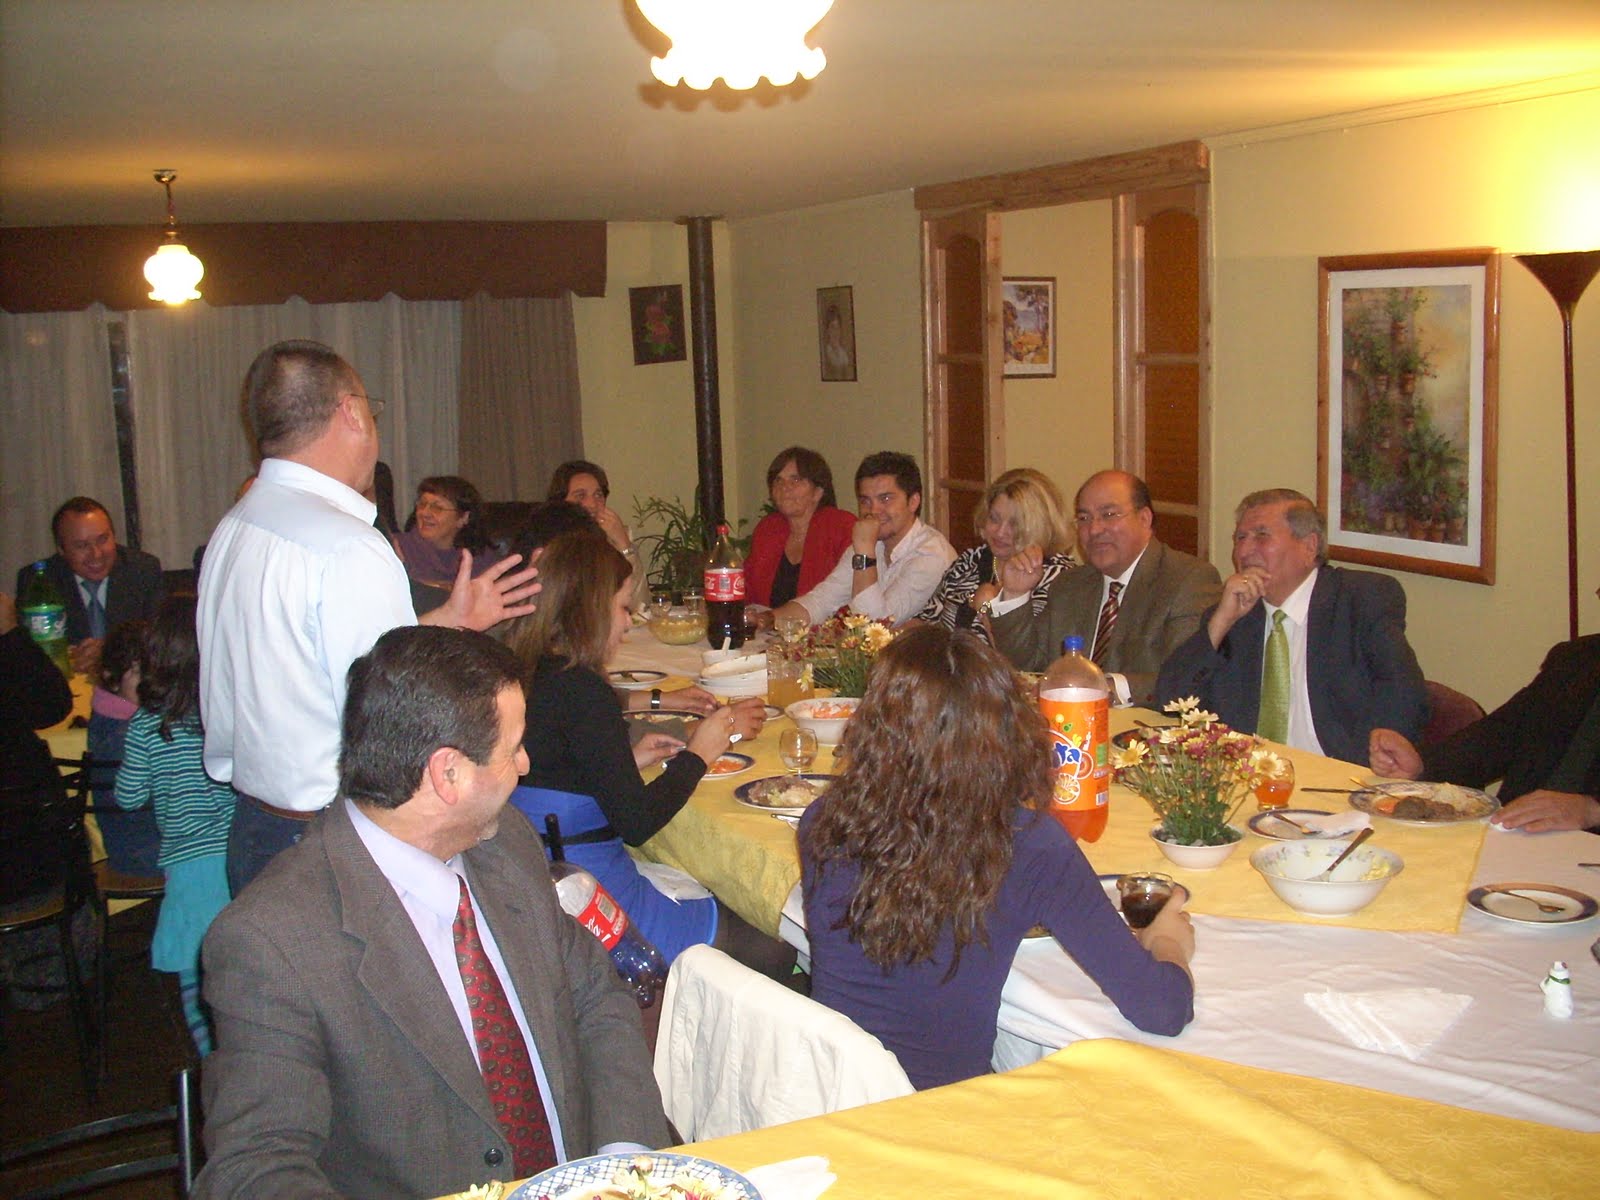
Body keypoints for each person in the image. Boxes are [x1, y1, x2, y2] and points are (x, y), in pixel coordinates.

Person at [193, 626, 669, 1199]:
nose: (525, 763)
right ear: (448, 775)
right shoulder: (273, 940)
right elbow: (255, 1169)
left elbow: (597, 995)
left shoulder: (504, 843)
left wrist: (624, 1161)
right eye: (511, 748)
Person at [198, 340, 539, 897]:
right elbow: (394, 716)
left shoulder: (238, 524)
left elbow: (325, 669)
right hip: (327, 837)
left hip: (255, 825)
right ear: (352, 411)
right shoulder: (347, 544)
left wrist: (447, 620)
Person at [800, 624, 1194, 1090]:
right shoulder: (1027, 844)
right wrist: (1168, 940)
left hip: (827, 1095)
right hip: (936, 1116)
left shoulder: (825, 819)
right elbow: (1162, 1011)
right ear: (1009, 729)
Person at [499, 530, 790, 975]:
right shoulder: (582, 691)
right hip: (599, 907)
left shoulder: (526, 672)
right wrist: (700, 752)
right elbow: (637, 824)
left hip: (547, 882)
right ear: (588, 611)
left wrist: (623, 761)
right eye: (621, 609)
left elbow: (555, 773)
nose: (628, 623)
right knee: (777, 947)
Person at [1156, 488, 1427, 764]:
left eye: (1262, 536)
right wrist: (1220, 623)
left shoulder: (1360, 600)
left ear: (1309, 547)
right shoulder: (1232, 615)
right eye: (1240, 537)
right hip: (1246, 775)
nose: (1244, 551)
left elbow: (1402, 686)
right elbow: (1170, 701)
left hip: (1335, 773)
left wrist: (1384, 749)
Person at [114, 594, 235, 1056]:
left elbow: (128, 797)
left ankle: (212, 1070)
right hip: (234, 858)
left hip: (186, 868)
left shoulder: (145, 726)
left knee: (194, 986)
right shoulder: (222, 713)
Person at [989, 470, 1221, 703]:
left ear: (1144, 519)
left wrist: (1106, 688)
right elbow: (1027, 667)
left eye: (1108, 515)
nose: (1095, 530)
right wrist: (1015, 594)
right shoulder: (1071, 585)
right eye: (1084, 518)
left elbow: (1187, 677)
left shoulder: (1187, 580)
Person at [1370, 632, 1600, 835]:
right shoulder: (1579, 658)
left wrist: (1592, 809)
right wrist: (1423, 765)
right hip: (1518, 834)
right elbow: (1501, 735)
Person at [769, 451, 956, 628]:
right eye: (865, 501)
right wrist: (767, 620)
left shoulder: (930, 555)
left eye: (886, 499)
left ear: (913, 502)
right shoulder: (872, 540)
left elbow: (875, 626)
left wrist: (865, 553)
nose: (873, 511)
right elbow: (822, 600)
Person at [916, 467, 1076, 649]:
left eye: (1014, 524)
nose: (1000, 532)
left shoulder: (1059, 578)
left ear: (1039, 526)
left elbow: (1026, 661)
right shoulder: (970, 562)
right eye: (994, 519)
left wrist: (989, 608)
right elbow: (926, 623)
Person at [15, 496, 165, 679]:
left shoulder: (142, 570)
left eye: (103, 539)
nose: (96, 554)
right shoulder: (38, 581)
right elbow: (27, 652)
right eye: (82, 545)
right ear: (61, 549)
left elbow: (160, 638)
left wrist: (111, 649)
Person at [87, 616, 161, 875]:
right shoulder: (124, 733)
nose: (152, 683)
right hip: (143, 852)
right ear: (112, 676)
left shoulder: (108, 717)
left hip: (134, 846)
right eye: (141, 674)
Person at [743, 447, 857, 610]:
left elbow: (849, 593)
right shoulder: (768, 528)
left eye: (795, 480)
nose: (784, 487)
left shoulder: (841, 526)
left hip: (824, 631)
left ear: (818, 492)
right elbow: (746, 586)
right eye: (778, 480)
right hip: (767, 631)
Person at [395, 474, 484, 587]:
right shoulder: (396, 547)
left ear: (463, 518)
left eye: (437, 508)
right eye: (422, 505)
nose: (424, 513)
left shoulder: (482, 560)